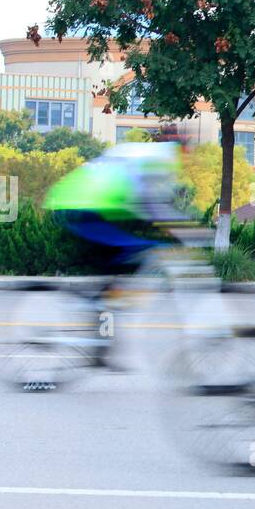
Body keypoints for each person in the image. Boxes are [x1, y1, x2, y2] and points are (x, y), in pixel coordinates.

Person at [42, 126, 186, 366]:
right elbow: (151, 204)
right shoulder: (162, 156)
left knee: (112, 281)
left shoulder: (143, 152)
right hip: (82, 209)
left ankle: (100, 345)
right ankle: (93, 316)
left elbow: (143, 203)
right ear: (180, 147)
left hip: (82, 206)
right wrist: (190, 230)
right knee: (142, 250)